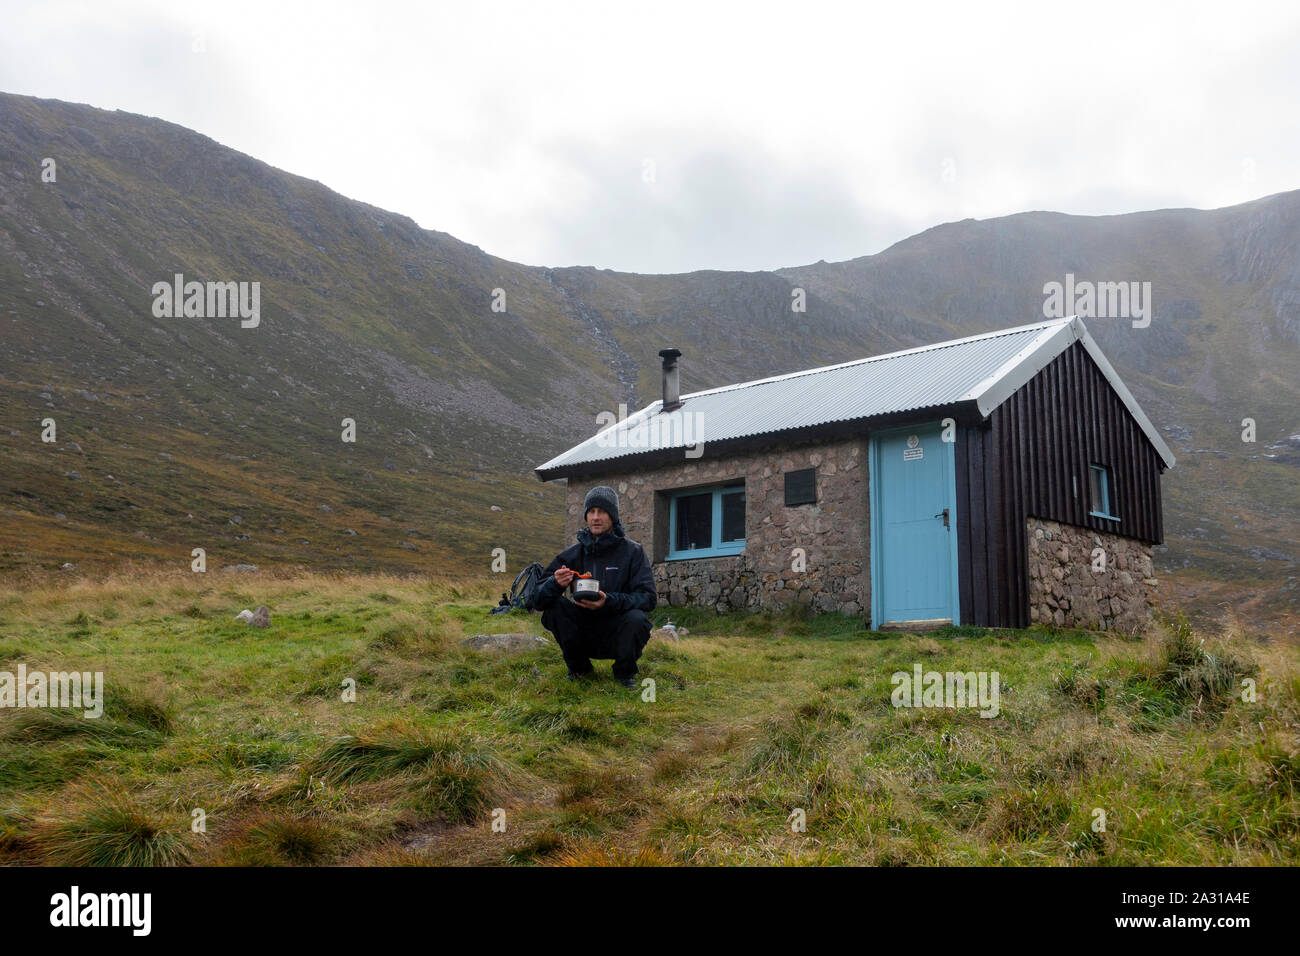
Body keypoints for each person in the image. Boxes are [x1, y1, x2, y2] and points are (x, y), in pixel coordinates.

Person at [531, 486, 657, 688]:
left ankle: (624, 675)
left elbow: (648, 598)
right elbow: (536, 599)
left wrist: (608, 601)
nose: (596, 517)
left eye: (602, 512)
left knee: (638, 619)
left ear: (613, 516)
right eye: (591, 511)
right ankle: (580, 670)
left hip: (617, 631)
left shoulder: (633, 551)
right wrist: (554, 583)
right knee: (554, 609)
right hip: (582, 631)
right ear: (586, 516)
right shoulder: (572, 554)